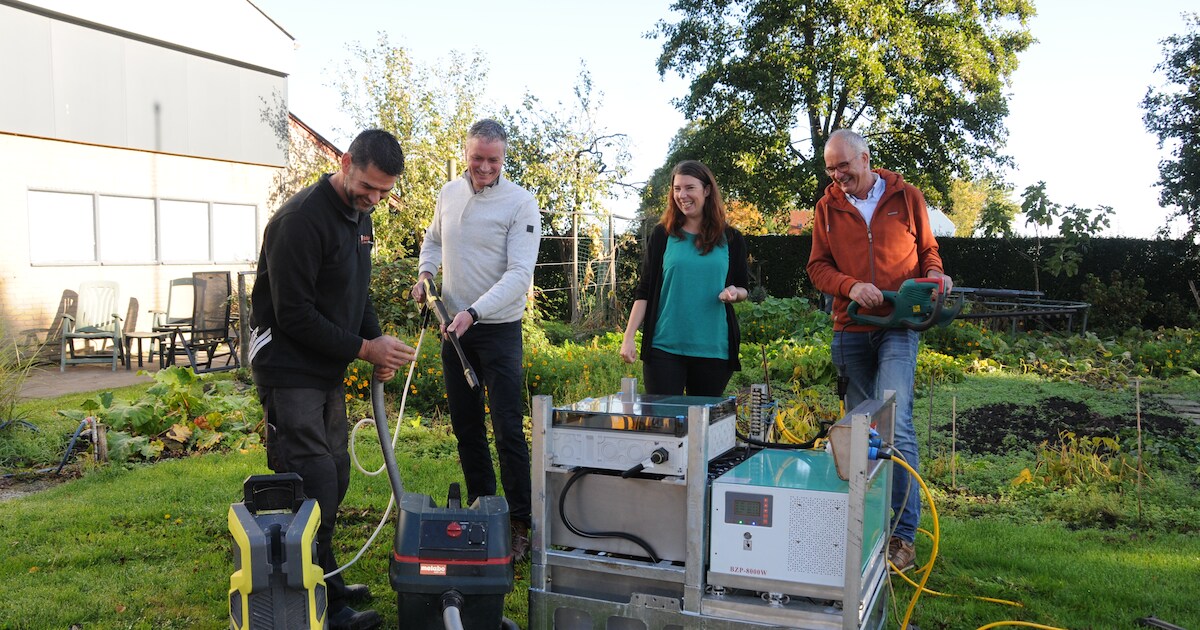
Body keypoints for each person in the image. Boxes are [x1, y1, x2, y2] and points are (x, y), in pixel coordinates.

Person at [250, 129, 416, 630]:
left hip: (324, 366)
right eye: (368, 186)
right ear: (345, 162)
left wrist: (376, 342)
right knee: (311, 476)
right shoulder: (300, 221)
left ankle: (326, 575)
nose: (375, 199)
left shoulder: (360, 216)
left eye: (384, 191)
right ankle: (313, 599)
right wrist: (365, 349)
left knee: (336, 470)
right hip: (287, 366)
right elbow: (294, 314)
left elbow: (357, 293)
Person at [806, 128, 953, 575]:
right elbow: (817, 267)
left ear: (865, 159)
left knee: (894, 419)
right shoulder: (826, 208)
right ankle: (865, 527)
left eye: (843, 166)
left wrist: (935, 276)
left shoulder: (907, 197)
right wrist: (851, 286)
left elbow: (928, 251)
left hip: (900, 323)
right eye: (830, 169)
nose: (837, 176)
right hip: (851, 326)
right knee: (860, 430)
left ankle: (903, 536)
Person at [410, 119, 541, 563]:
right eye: (477, 158)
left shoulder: (521, 203)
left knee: (507, 428)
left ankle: (520, 522)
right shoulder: (448, 194)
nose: (484, 167)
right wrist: (426, 274)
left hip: (497, 329)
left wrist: (474, 312)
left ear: (504, 157)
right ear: (466, 153)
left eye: (493, 160)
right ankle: (484, 508)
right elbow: (432, 241)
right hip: (454, 329)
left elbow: (519, 274)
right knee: (467, 428)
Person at [620, 160, 749, 396]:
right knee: (663, 418)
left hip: (713, 351)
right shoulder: (662, 235)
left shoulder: (731, 238)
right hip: (664, 348)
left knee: (703, 420)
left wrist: (734, 293)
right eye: (677, 188)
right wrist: (628, 338)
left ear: (707, 190)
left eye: (690, 188)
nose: (682, 195)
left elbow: (743, 288)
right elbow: (645, 290)